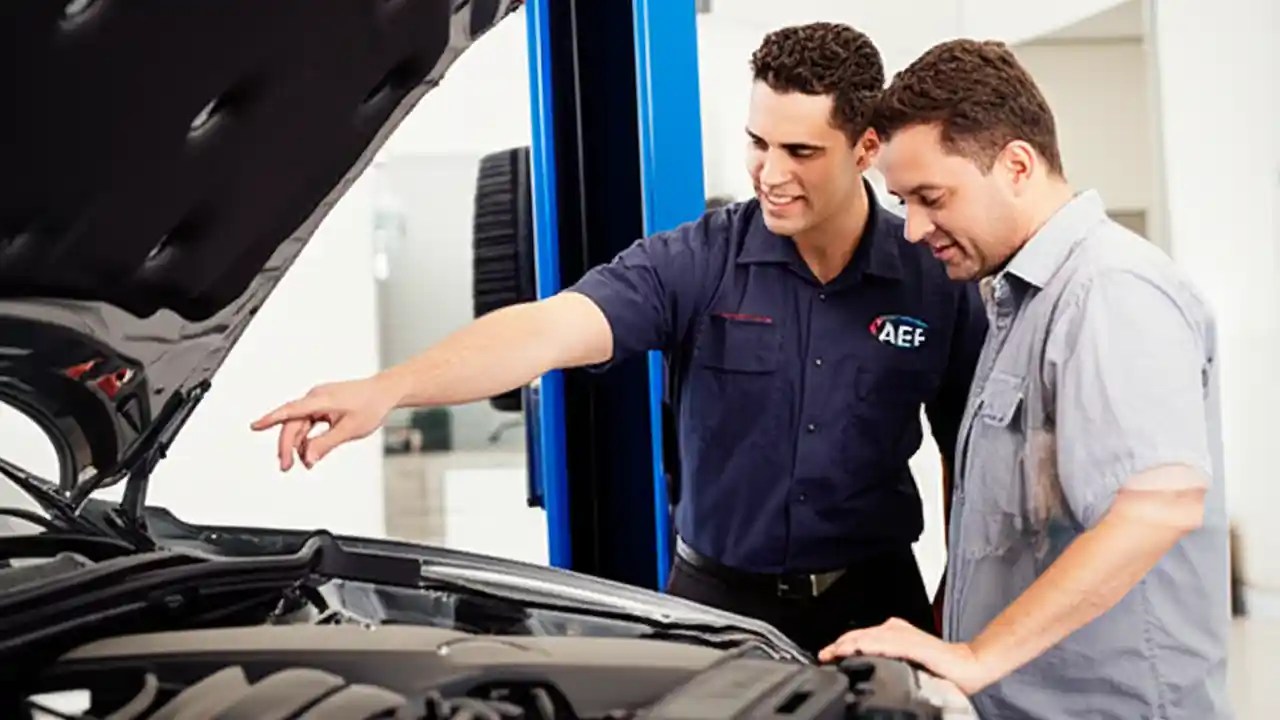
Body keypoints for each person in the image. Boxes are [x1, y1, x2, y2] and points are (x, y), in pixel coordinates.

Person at [250, 23, 988, 657]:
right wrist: (391, 388)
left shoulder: (933, 278)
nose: (770, 173)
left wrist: (954, 605)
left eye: (801, 150)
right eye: (758, 143)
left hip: (875, 601)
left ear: (865, 148)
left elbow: (971, 459)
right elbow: (548, 328)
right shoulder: (700, 261)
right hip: (715, 606)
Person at [817, 39, 1231, 719]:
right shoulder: (1016, 306)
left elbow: (1160, 504)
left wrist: (976, 657)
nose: (915, 230)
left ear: (1015, 165)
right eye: (903, 202)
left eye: (931, 198)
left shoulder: (1109, 290)